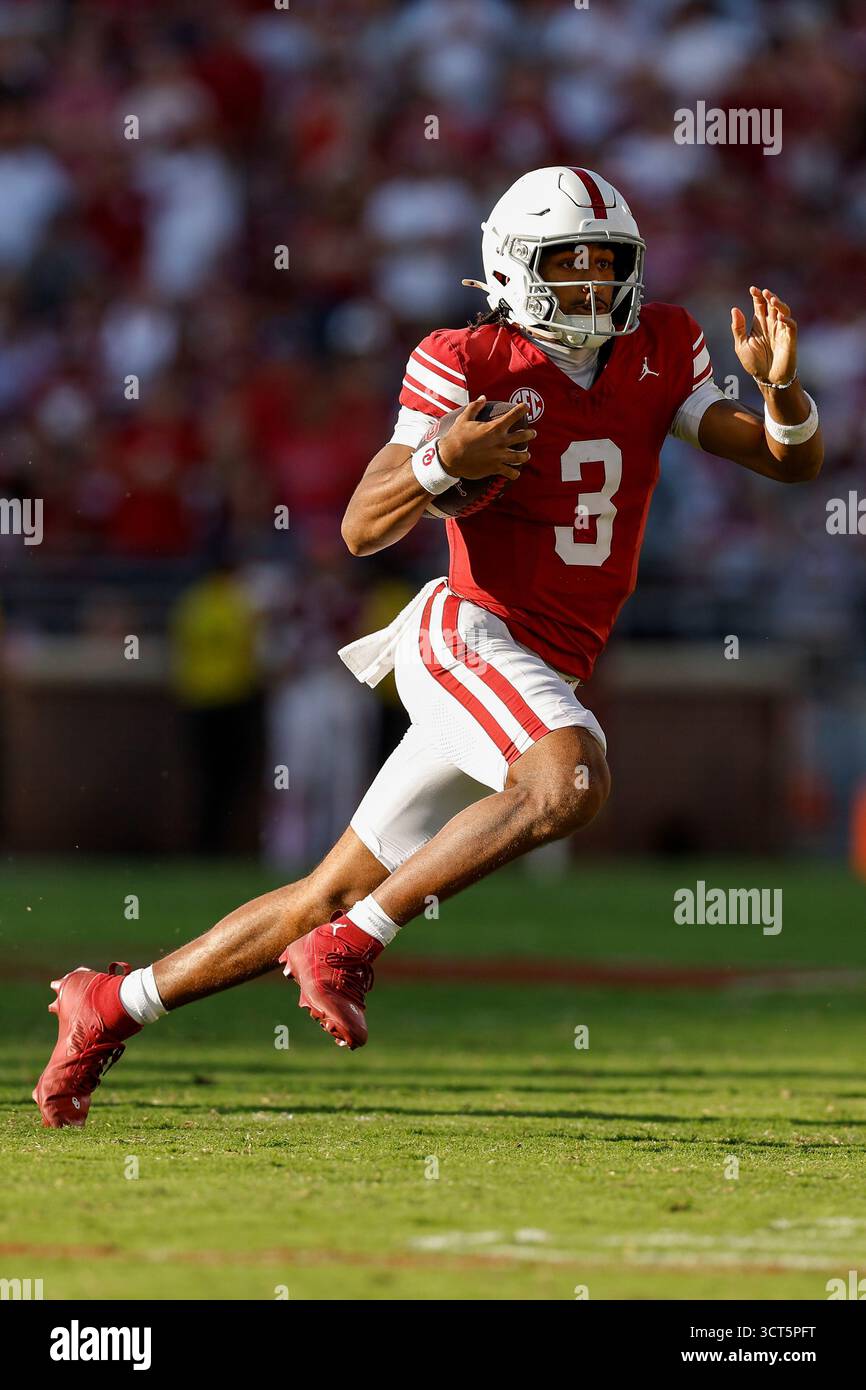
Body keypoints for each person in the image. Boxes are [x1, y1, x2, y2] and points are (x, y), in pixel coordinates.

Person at [33, 167, 823, 1125]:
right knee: (571, 778)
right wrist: (443, 459)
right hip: (469, 633)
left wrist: (782, 392)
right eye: (566, 267)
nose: (591, 287)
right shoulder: (467, 359)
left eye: (605, 265)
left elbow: (788, 461)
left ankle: (112, 1004)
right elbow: (363, 528)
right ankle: (356, 943)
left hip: (536, 666)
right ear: (512, 268)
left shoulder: (662, 345)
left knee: (322, 893)